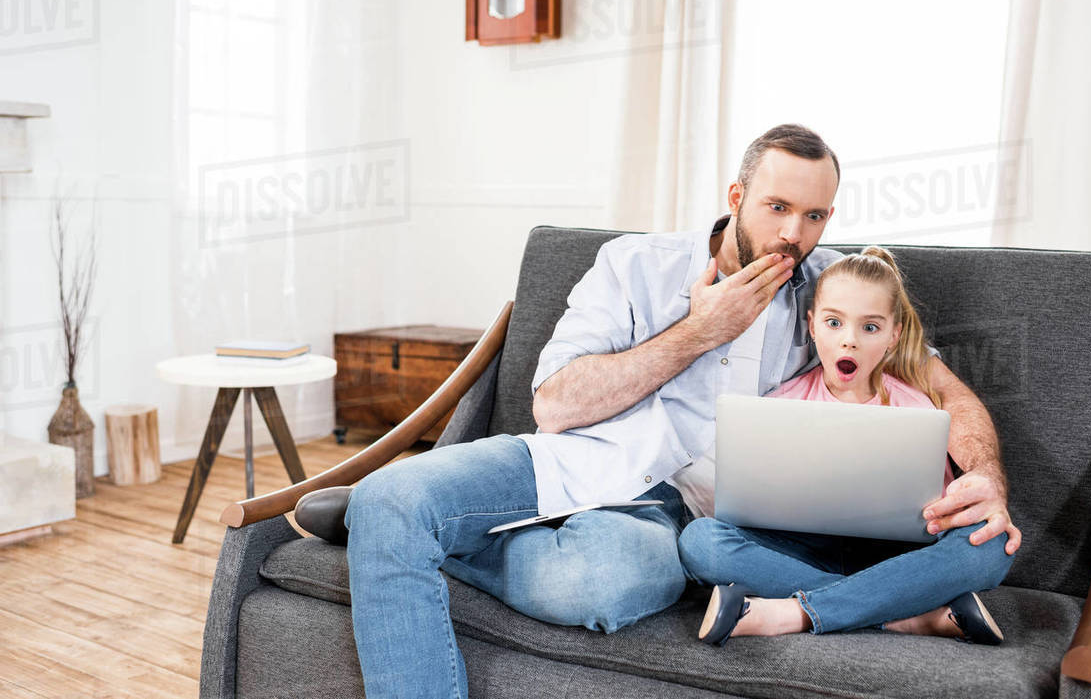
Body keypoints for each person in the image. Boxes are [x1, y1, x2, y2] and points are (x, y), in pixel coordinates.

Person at [341, 124, 1021, 699]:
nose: (793, 234)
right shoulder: (635, 264)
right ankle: (385, 523)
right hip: (574, 462)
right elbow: (553, 405)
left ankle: (385, 537)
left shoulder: (836, 291)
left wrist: (985, 473)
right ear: (736, 196)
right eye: (777, 207)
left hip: (682, 516)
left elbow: (948, 391)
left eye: (814, 216)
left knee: (595, 586)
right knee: (395, 499)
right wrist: (699, 332)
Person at [679, 246, 1014, 647]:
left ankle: (791, 612)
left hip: (900, 555)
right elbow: (752, 505)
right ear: (813, 326)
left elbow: (935, 509)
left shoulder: (919, 408)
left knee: (993, 544)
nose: (849, 341)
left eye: (869, 328)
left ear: (895, 335)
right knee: (699, 541)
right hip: (804, 550)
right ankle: (906, 613)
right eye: (834, 323)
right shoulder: (779, 405)